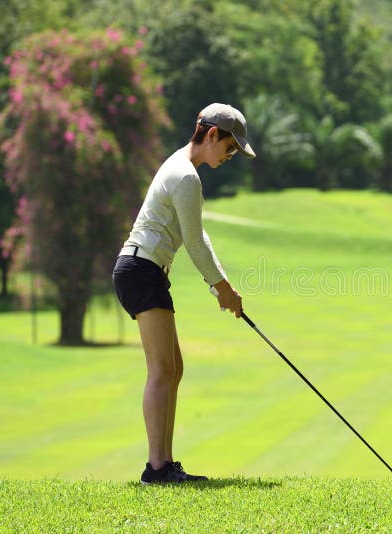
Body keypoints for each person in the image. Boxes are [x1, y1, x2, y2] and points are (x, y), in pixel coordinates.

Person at [112, 103, 255, 484]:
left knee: (173, 368)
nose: (229, 156)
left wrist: (222, 286)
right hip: (141, 270)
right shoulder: (186, 176)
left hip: (145, 271)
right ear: (212, 134)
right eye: (229, 148)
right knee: (162, 370)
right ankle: (156, 468)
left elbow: (198, 235)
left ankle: (164, 463)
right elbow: (193, 243)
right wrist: (222, 289)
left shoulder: (181, 167)